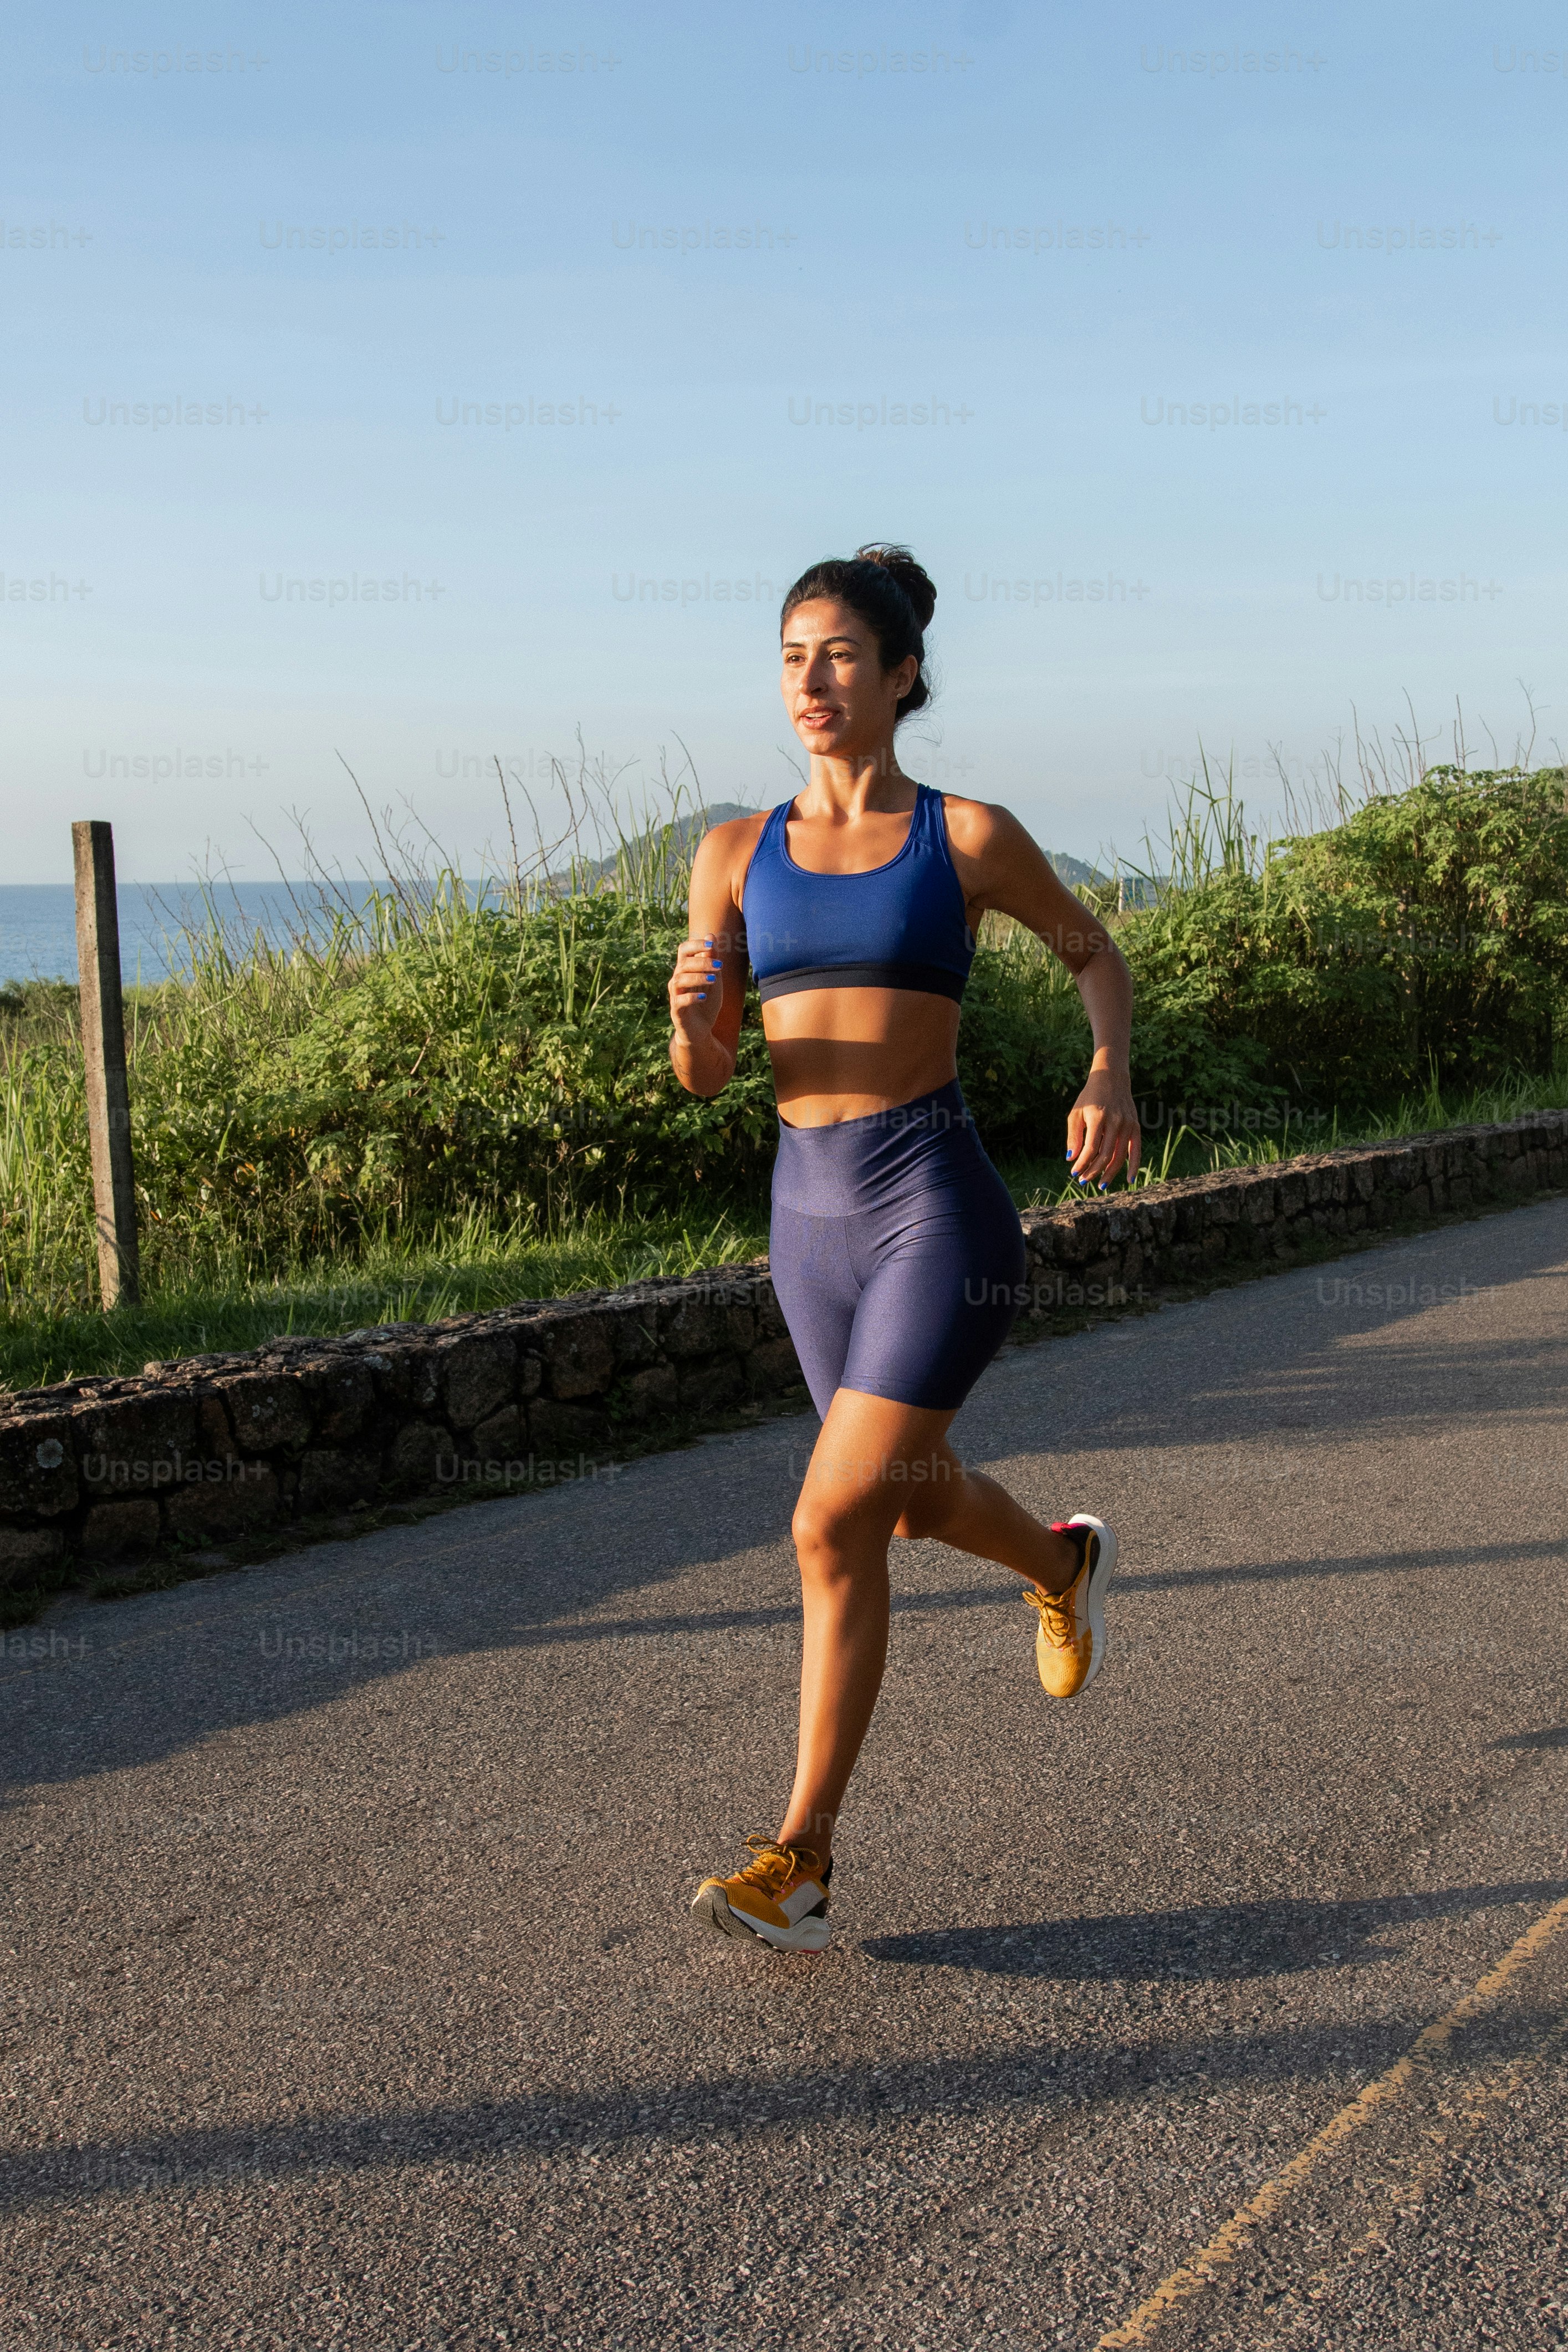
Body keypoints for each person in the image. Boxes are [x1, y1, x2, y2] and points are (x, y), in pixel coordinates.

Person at [668, 545, 1140, 1954]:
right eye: (791, 656)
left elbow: (1089, 950)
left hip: (932, 1206)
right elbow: (704, 1076)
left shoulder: (967, 835)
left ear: (899, 676)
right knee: (908, 1498)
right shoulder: (733, 855)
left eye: (838, 657)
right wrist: (696, 1018)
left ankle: (798, 1859)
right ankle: (1059, 1566)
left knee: (829, 1520)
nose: (809, 682)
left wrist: (1107, 1067)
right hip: (803, 1220)